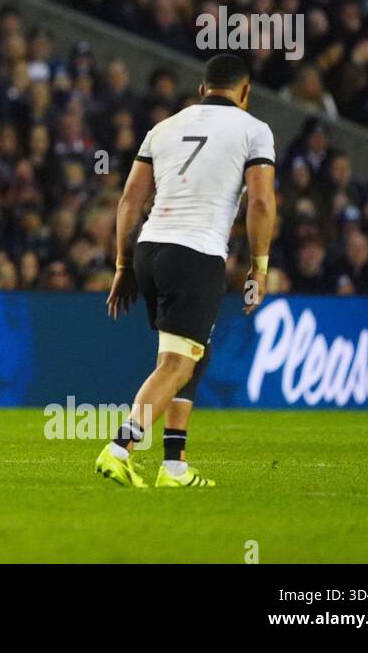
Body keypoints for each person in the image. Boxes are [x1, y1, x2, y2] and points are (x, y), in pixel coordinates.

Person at [98, 53, 277, 488]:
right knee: (179, 363)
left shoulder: (163, 127)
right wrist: (259, 266)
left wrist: (123, 265)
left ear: (201, 90)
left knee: (192, 356)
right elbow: (260, 203)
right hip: (195, 253)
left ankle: (173, 466)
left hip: (150, 248)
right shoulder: (254, 130)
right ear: (245, 92)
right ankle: (119, 448)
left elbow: (129, 201)